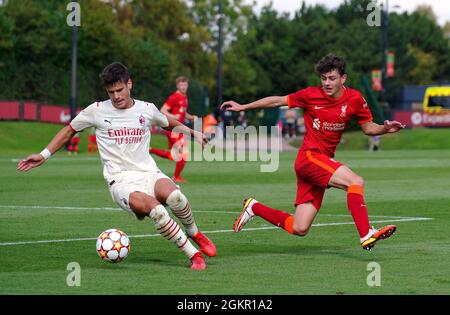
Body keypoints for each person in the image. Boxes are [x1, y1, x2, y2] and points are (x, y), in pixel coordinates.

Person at [17, 62, 216, 269]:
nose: (116, 96)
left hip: (149, 173)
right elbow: (69, 130)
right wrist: (43, 155)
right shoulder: (95, 111)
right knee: (157, 211)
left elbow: (169, 122)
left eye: (120, 90)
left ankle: (195, 233)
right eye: (111, 92)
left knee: (176, 197)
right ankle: (194, 256)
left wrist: (193, 133)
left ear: (129, 84)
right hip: (121, 182)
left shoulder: (146, 109)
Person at [221, 53, 405, 251]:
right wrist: (244, 107)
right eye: (323, 78)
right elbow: (277, 101)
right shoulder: (310, 95)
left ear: (343, 78)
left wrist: (385, 129)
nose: (326, 83)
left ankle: (253, 207)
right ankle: (366, 233)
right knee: (355, 182)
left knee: (299, 227)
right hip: (309, 157)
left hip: (320, 163)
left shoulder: (355, 99)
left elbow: (368, 128)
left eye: (332, 78)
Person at [149, 76, 198, 184]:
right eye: (181, 85)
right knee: (183, 154)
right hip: (173, 129)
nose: (183, 87)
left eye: (185, 85)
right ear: (177, 85)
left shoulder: (184, 97)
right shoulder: (174, 97)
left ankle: (151, 150)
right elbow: (163, 110)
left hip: (178, 130)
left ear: (187, 85)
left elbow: (182, 113)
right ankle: (176, 177)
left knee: (173, 155)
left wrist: (191, 117)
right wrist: (173, 116)